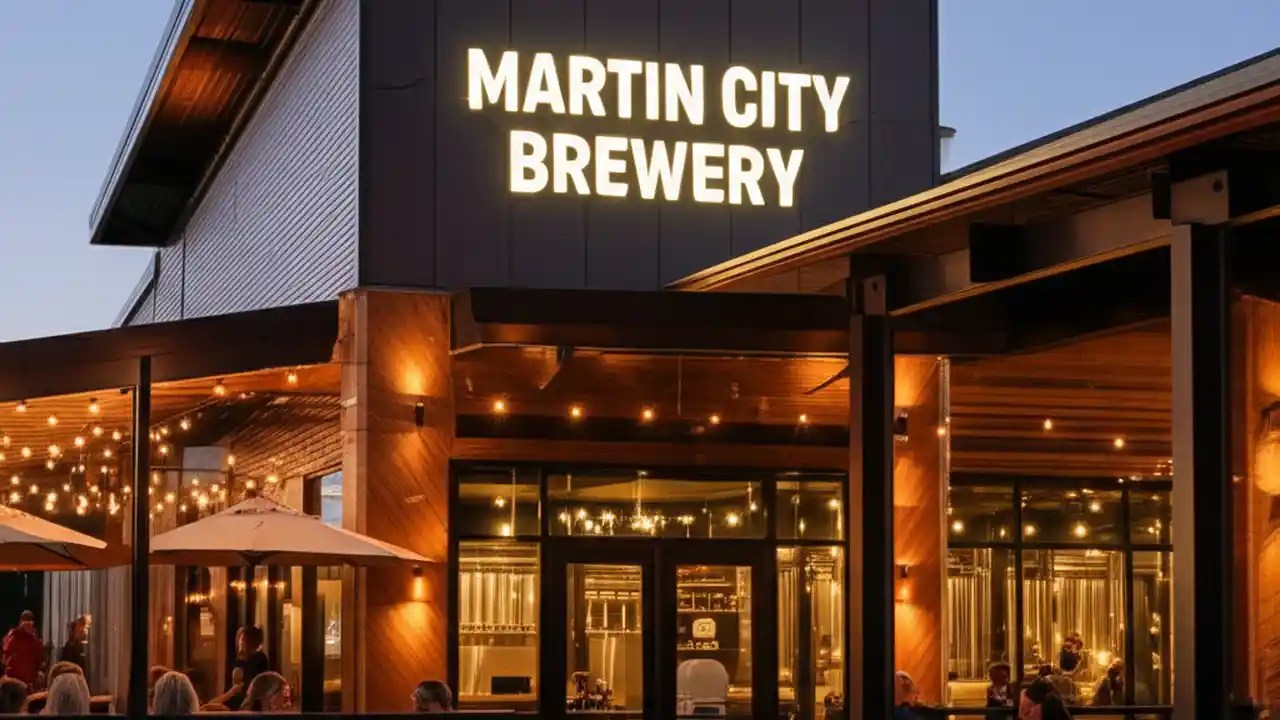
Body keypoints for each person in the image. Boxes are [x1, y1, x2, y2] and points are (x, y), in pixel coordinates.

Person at [1, 612, 42, 689]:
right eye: (26, 624)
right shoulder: (13, 635)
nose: (28, 627)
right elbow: (6, 649)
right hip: (13, 680)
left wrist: (35, 638)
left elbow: (39, 654)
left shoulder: (33, 638)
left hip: (28, 680)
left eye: (30, 624)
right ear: (21, 623)